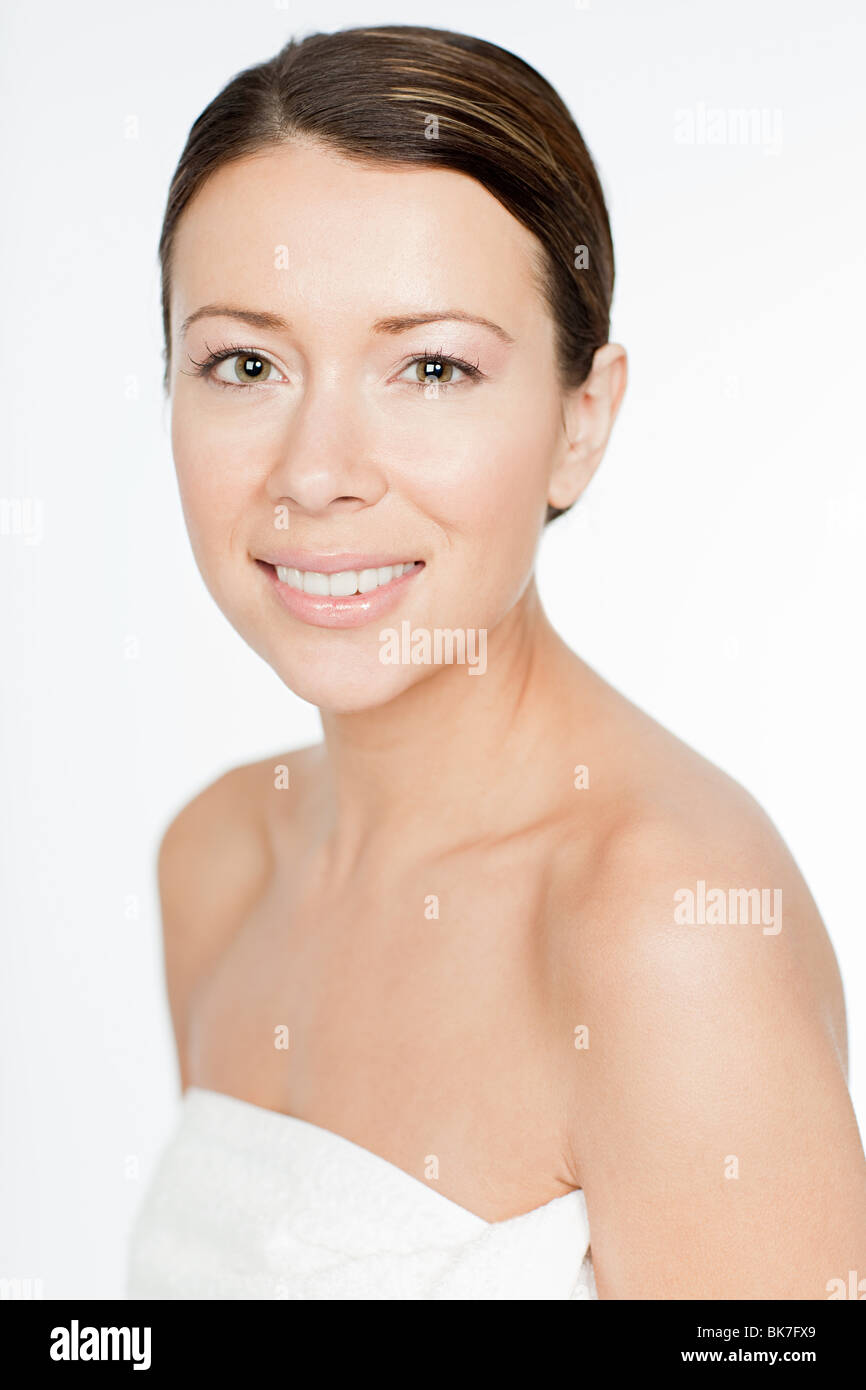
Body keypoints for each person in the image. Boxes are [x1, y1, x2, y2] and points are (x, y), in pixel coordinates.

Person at [126, 23, 866, 1300]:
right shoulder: (217, 860)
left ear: (581, 423)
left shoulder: (661, 928)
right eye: (245, 363)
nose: (316, 472)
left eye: (430, 367)